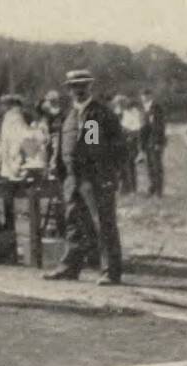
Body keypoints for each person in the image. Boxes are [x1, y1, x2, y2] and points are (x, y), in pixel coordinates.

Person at [42, 68, 125, 286]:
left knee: (103, 223)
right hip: (72, 178)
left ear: (90, 87)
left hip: (94, 178)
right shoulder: (68, 116)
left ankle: (110, 271)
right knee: (73, 223)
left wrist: (108, 176)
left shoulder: (98, 114)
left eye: (83, 86)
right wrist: (60, 171)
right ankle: (70, 267)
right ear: (68, 89)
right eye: (74, 86)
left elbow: (95, 147)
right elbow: (60, 145)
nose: (78, 90)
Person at [139, 88, 166, 197]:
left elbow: (160, 126)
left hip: (155, 141)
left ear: (150, 96)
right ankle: (152, 187)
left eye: (145, 95)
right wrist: (142, 144)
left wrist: (158, 142)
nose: (143, 98)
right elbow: (143, 127)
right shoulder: (143, 108)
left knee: (157, 166)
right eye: (142, 96)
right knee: (149, 166)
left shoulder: (156, 107)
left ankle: (159, 190)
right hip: (146, 141)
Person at [119, 97, 144, 194]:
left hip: (131, 141)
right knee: (124, 165)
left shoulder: (135, 113)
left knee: (130, 164)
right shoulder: (124, 113)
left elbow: (137, 128)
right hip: (124, 140)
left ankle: (132, 187)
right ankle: (126, 187)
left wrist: (129, 134)